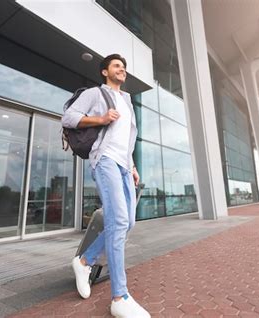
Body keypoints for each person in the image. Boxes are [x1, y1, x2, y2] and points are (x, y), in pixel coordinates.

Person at [62, 54, 150, 318]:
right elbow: (68, 118)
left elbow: (127, 139)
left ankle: (85, 260)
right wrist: (100, 119)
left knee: (128, 222)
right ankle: (119, 297)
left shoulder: (128, 101)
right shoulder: (94, 94)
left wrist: (132, 167)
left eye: (123, 67)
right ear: (105, 72)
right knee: (118, 221)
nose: (122, 70)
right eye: (116, 66)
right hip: (105, 161)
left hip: (123, 165)